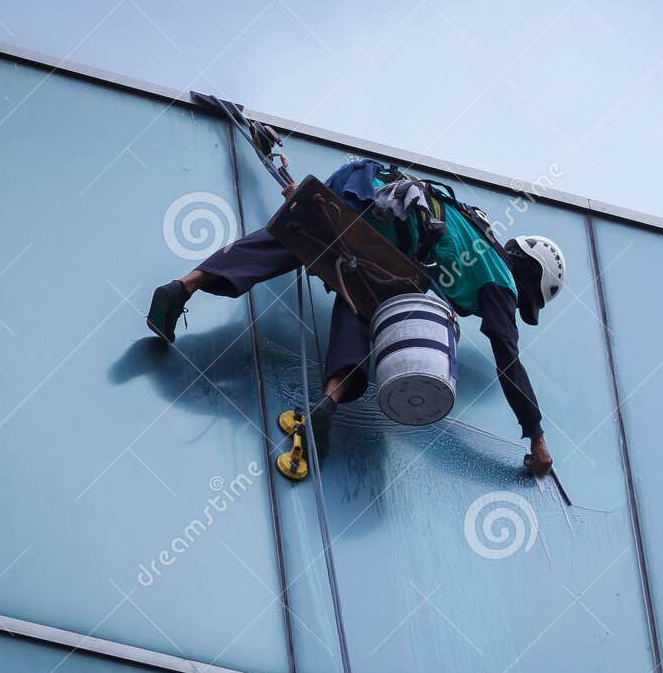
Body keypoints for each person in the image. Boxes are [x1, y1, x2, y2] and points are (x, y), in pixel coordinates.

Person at [145, 160, 565, 476]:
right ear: (526, 276)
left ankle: (184, 286)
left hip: (362, 186)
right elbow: (508, 360)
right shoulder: (500, 280)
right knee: (383, 306)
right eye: (526, 299)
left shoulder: (472, 229)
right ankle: (329, 401)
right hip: (391, 223)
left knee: (300, 242)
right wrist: (536, 436)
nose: (516, 306)